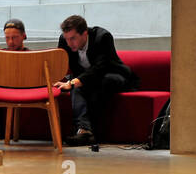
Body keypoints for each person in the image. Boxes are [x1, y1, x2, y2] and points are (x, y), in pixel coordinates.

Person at [53, 14, 137, 146]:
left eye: (73, 38)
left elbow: (101, 68)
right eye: (67, 39)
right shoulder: (64, 41)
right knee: (77, 85)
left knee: (94, 83)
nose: (69, 43)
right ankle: (84, 131)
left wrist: (73, 83)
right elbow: (60, 63)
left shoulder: (102, 37)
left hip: (112, 75)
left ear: (85, 33)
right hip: (86, 78)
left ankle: (87, 129)